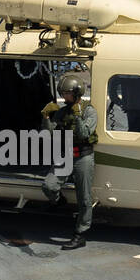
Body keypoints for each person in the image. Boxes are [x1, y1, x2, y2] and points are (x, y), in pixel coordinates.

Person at [41, 74, 98, 250]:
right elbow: (48, 134)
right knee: (48, 186)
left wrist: (78, 116)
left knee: (85, 198)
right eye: (63, 93)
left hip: (83, 156)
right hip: (65, 154)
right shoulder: (62, 111)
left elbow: (84, 134)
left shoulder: (89, 111)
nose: (64, 96)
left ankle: (80, 234)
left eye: (67, 93)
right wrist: (47, 117)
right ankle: (59, 202)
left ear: (77, 92)